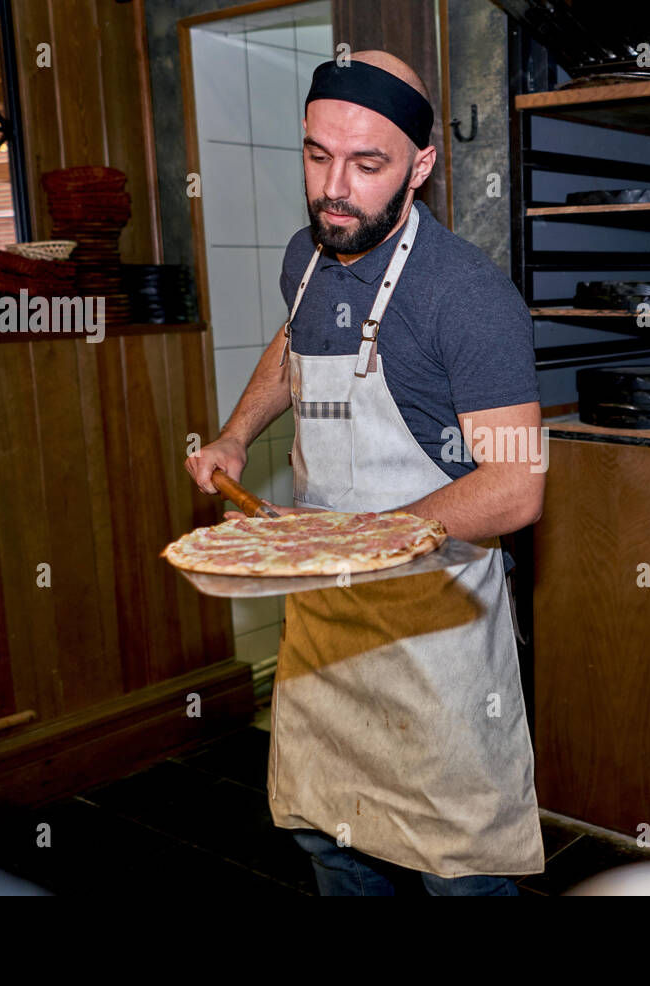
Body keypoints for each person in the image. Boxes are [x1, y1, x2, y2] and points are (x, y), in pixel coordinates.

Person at [185, 50, 545, 896]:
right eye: (317, 155)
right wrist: (237, 435)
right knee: (330, 838)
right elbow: (292, 344)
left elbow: (515, 487)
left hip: (434, 625)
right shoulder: (306, 258)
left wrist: (353, 537)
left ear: (420, 167)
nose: (334, 187)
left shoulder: (468, 296)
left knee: (456, 869)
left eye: (368, 164)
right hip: (324, 623)